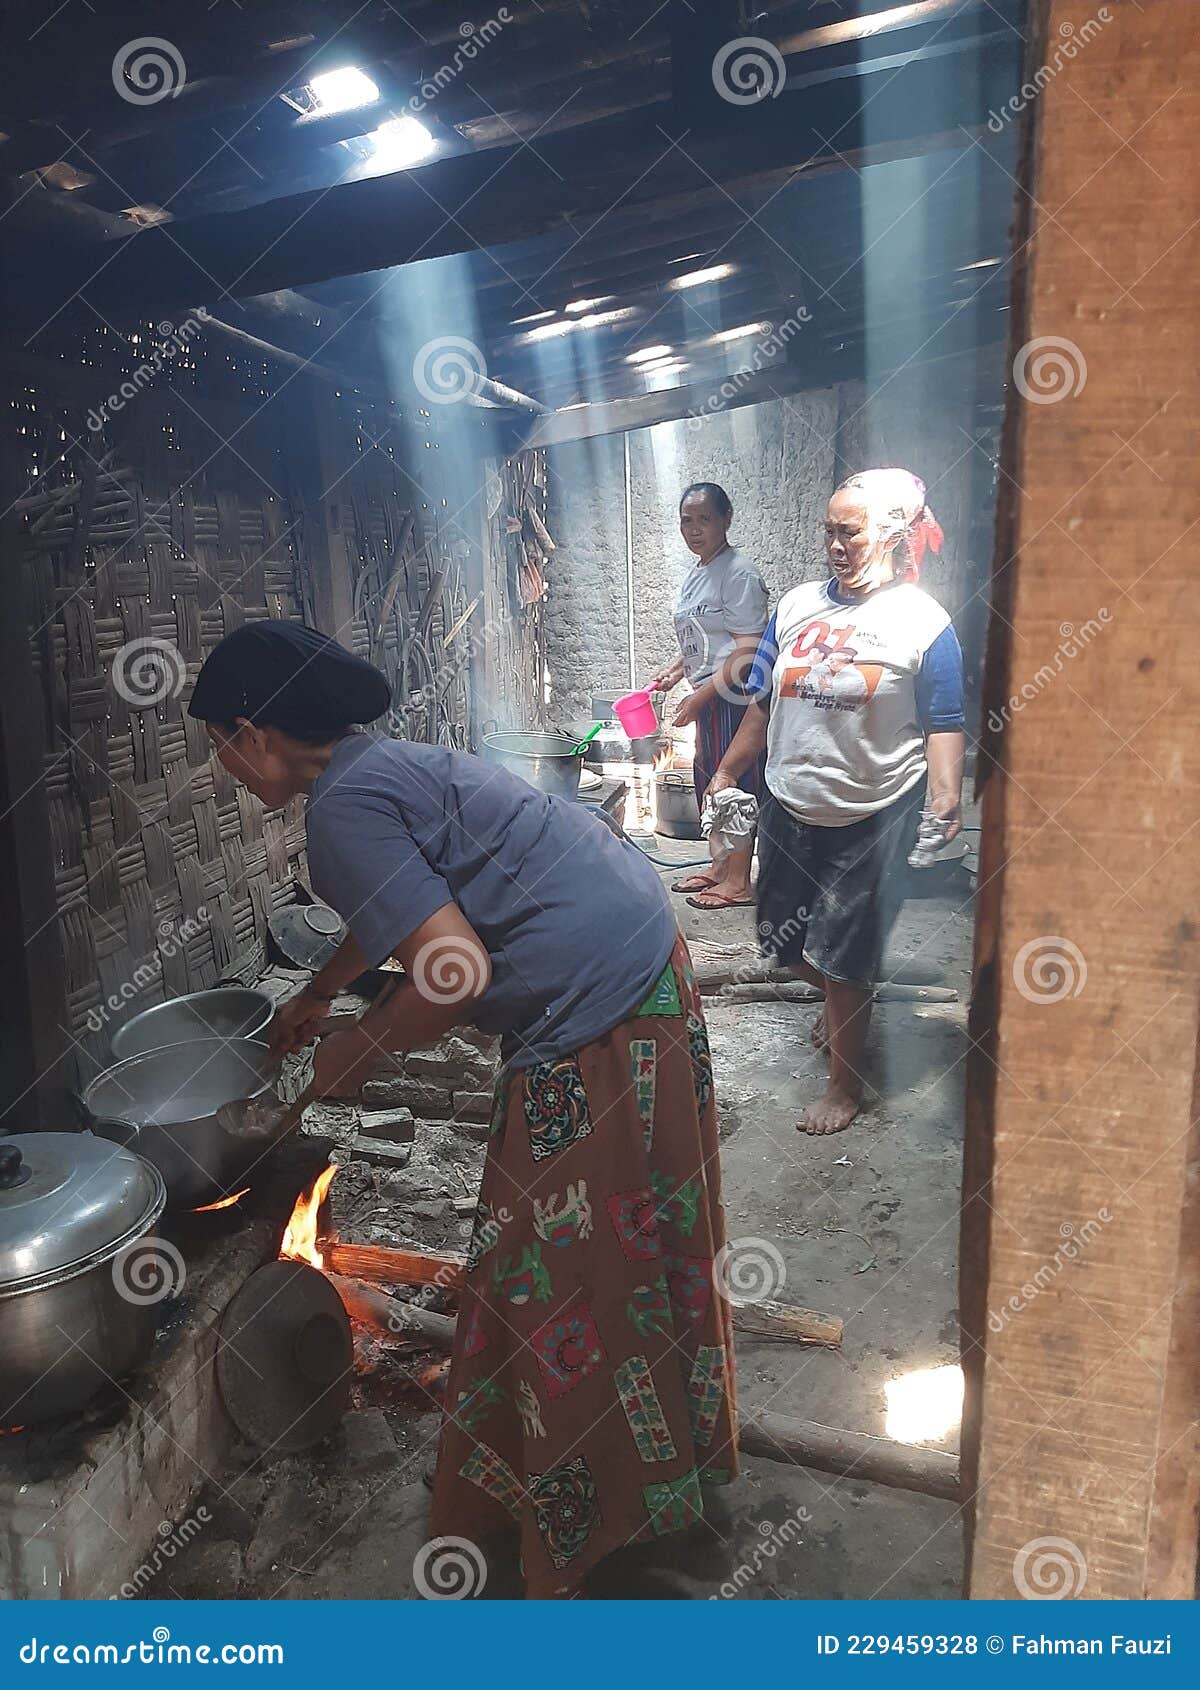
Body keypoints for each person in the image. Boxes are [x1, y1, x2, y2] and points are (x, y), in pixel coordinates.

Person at [186, 619, 737, 1598]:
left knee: (556, 1282)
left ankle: (587, 1531)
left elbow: (451, 972)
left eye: (220, 748)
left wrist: (348, 1055)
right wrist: (322, 990)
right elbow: (397, 906)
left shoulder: (340, 810)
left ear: (253, 732)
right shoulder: (371, 769)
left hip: (597, 1017)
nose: (225, 768)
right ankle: (655, 1476)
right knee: (631, 1252)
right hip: (649, 970)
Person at [709, 468, 964, 1136]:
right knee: (776, 935)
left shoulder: (922, 620)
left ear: (887, 534)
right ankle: (842, 1004)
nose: (834, 543)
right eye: (828, 530)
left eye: (847, 530)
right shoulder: (794, 608)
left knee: (850, 949)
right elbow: (763, 702)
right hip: (791, 798)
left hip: (875, 807)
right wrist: (729, 769)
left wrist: (944, 795)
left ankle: (844, 1088)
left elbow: (944, 718)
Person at [647, 482, 768, 909]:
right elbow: (705, 639)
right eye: (687, 520)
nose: (694, 529)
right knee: (708, 780)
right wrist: (676, 669)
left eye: (705, 519)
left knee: (733, 782)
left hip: (735, 695)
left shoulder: (738, 573)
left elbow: (748, 648)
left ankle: (739, 880)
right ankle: (719, 868)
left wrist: (701, 698)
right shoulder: (698, 573)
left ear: (726, 520)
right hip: (710, 692)